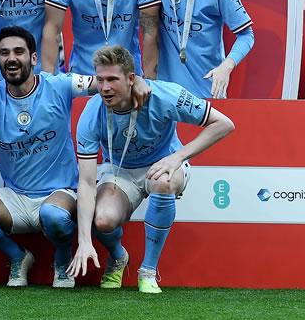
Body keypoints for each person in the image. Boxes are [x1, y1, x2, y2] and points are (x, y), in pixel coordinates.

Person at [0, 26, 142, 288]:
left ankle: (62, 259)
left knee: (53, 216)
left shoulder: (59, 85)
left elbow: (105, 82)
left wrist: (140, 81)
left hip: (60, 193)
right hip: (15, 197)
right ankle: (17, 257)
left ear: (33, 58)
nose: (12, 58)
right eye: (4, 53)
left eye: (19, 52)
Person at [70, 45, 235, 294]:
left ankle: (148, 271)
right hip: (119, 170)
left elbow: (224, 124)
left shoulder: (164, 95)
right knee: (102, 220)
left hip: (163, 163)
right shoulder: (92, 113)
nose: (104, 88)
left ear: (131, 79)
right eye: (101, 80)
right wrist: (84, 240)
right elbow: (85, 183)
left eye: (113, 79)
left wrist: (177, 157)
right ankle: (117, 256)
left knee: (163, 181)